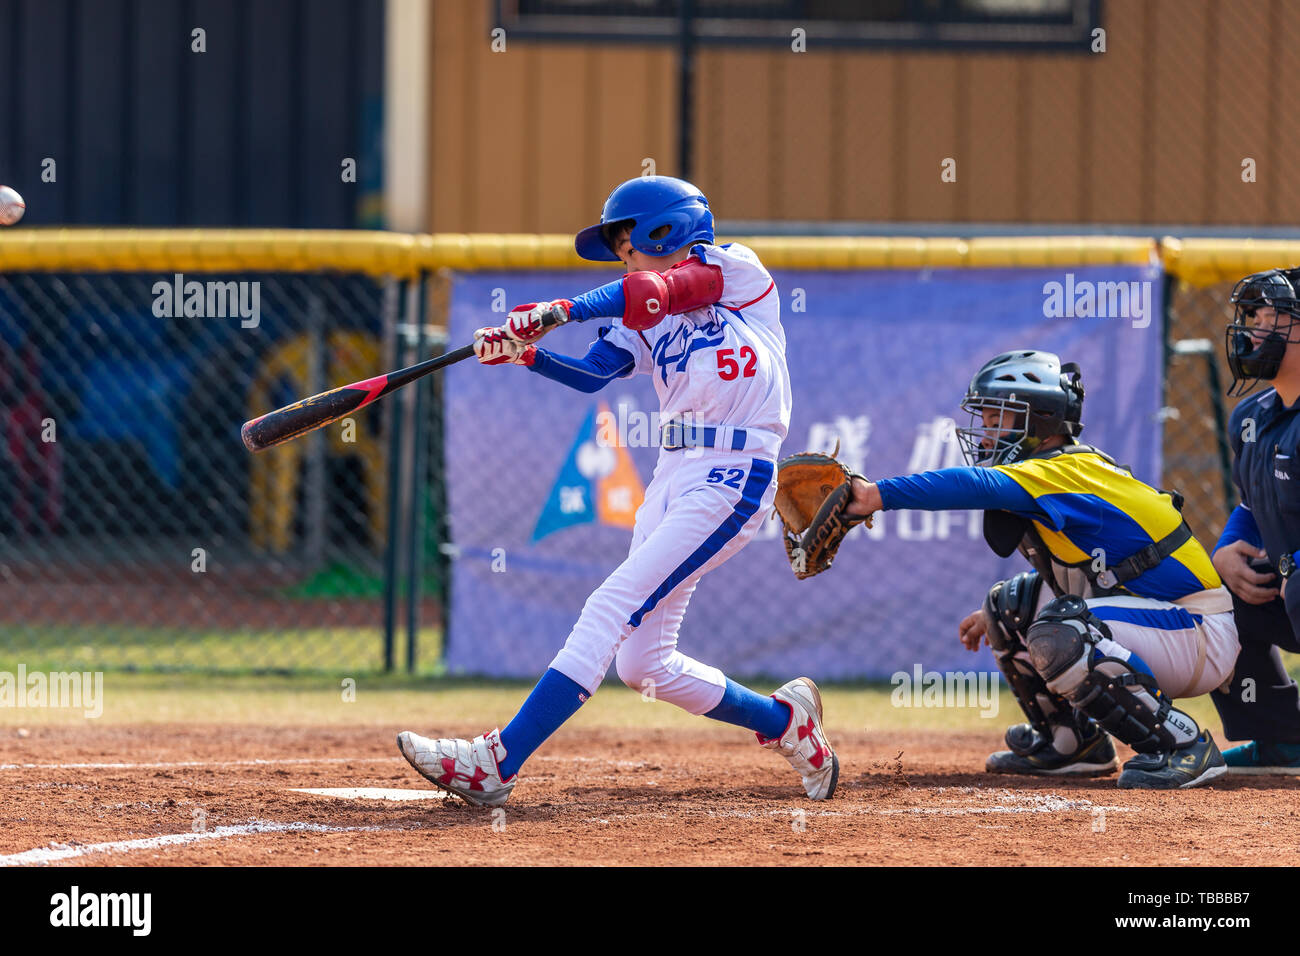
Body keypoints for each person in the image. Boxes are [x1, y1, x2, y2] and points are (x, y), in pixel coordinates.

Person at [395, 175, 837, 806]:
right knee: (643, 666)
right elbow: (591, 374)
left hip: (734, 472)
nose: (623, 253)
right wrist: (528, 354)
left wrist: (560, 311)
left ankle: (497, 762)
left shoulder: (734, 270)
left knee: (611, 603)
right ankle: (787, 724)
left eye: (628, 240)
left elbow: (658, 290)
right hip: (672, 474)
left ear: (669, 228)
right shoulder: (640, 313)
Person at [837, 350, 1237, 789]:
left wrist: (877, 495)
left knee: (1061, 631)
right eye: (985, 421)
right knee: (1010, 606)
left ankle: (1184, 746)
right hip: (1158, 622)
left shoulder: (1067, 468)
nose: (986, 434)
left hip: (1197, 631)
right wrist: (997, 618)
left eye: (998, 420)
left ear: (1042, 420)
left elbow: (975, 486)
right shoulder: (1057, 469)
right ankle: (1071, 744)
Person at [1210, 267, 1300, 772]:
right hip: (1291, 590)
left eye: (1274, 316)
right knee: (1212, 593)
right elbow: (1251, 504)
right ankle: (1282, 741)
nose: (1256, 328)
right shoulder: (1250, 416)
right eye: (1253, 315)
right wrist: (1227, 548)